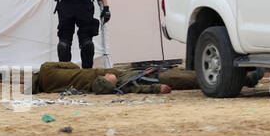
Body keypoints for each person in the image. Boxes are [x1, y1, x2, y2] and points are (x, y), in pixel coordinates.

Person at [32, 62, 172, 95]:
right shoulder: (46, 68)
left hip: (109, 79)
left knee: (132, 85)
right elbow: (71, 66)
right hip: (106, 77)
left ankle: (157, 85)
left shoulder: (49, 90)